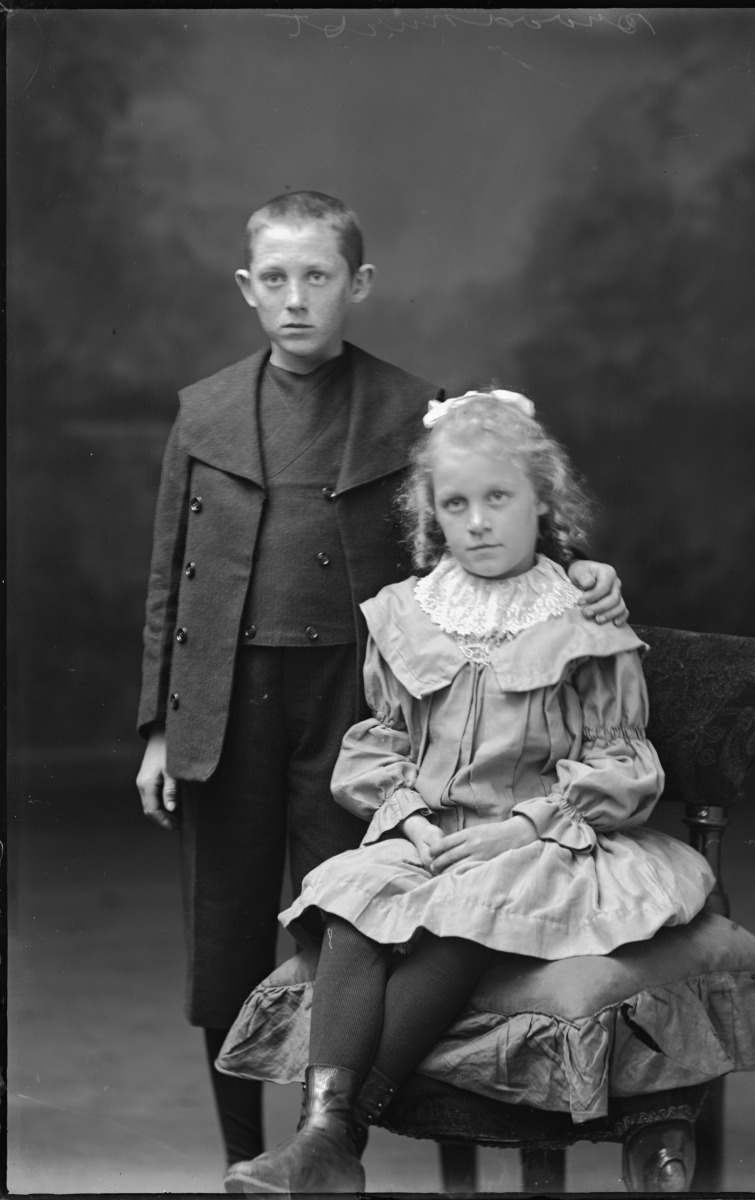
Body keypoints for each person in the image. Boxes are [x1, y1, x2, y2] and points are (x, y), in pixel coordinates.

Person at [134, 192, 629, 1169]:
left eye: (316, 276)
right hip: (225, 702)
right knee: (227, 940)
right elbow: (168, 576)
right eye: (273, 279)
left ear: (355, 284)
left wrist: (577, 574)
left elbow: (487, 520)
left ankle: (335, 1142)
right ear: (245, 289)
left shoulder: (410, 406)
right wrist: (156, 725)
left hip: (360, 703)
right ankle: (245, 1156)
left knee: (355, 918)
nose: (294, 300)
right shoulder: (204, 412)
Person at [220, 389, 716, 1195]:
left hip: (544, 839)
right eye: (456, 504)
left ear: (540, 503)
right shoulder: (408, 617)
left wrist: (521, 828)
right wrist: (408, 819)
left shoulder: (583, 620)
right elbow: (380, 740)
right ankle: (322, 1141)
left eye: (498, 498)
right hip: (434, 832)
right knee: (351, 900)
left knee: (471, 907)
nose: (479, 521)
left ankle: (339, 1138)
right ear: (431, 516)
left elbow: (619, 760)